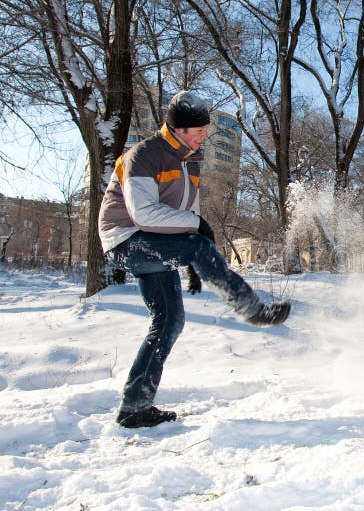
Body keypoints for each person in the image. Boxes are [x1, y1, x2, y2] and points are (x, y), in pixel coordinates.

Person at [99, 90, 291, 428]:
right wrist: (195, 235)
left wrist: (193, 257)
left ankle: (135, 407)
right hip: (126, 239)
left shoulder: (190, 160)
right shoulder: (144, 155)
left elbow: (187, 213)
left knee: (169, 321)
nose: (205, 136)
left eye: (206, 130)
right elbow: (143, 213)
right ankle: (252, 309)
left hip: (157, 243)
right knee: (197, 246)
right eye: (199, 131)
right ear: (178, 128)